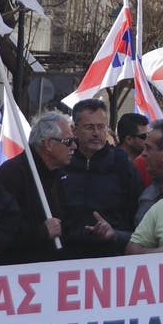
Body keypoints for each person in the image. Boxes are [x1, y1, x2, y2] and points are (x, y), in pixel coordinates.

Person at [61, 99, 143, 258]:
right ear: (74, 130)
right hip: (67, 257)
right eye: (89, 127)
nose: (96, 133)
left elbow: (138, 216)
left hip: (111, 257)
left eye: (101, 127)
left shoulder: (123, 166)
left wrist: (117, 234)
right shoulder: (62, 163)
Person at [0, 111, 74, 264]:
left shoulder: (60, 175)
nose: (74, 146)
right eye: (68, 141)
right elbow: (0, 231)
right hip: (19, 269)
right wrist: (42, 232)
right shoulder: (11, 175)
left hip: (53, 268)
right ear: (48, 144)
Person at [134, 119, 163, 225]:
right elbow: (141, 235)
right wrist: (113, 233)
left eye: (148, 148)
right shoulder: (147, 194)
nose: (144, 154)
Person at [117, 112, 152, 188]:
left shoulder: (149, 162)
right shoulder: (111, 164)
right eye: (144, 136)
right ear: (128, 139)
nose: (148, 140)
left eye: (149, 134)